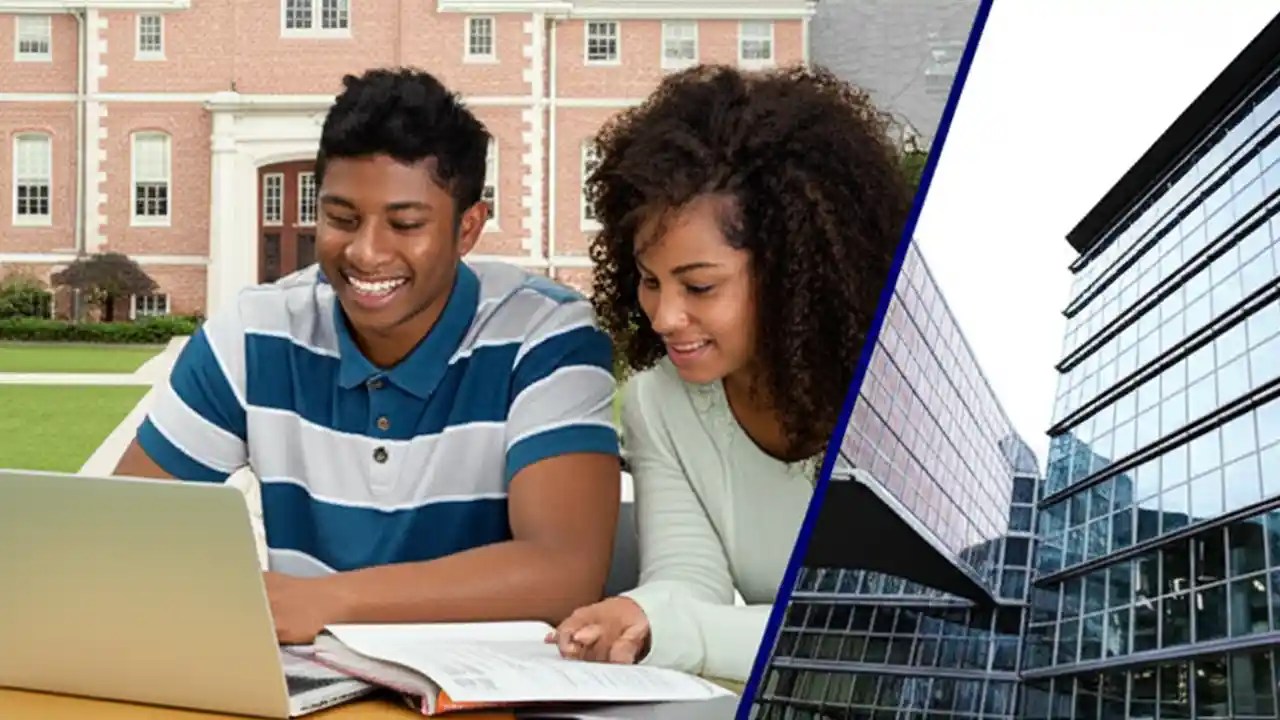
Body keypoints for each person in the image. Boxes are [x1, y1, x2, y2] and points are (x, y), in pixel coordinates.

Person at [113, 67, 622, 644]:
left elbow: (565, 571)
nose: (365, 251)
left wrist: (328, 601)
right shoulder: (255, 334)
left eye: (405, 223)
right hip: (309, 690)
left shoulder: (544, 335)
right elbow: (128, 527)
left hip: (487, 695)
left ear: (469, 229)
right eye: (340, 218)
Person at [547, 64, 913, 682]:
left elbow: (872, 629)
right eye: (649, 279)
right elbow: (688, 580)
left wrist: (678, 632)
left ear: (795, 268)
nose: (664, 316)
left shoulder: (893, 393)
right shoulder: (658, 400)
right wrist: (633, 616)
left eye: (699, 285)